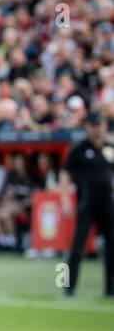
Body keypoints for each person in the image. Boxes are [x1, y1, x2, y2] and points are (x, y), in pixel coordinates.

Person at [60, 114, 113, 297]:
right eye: (92, 125)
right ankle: (68, 286)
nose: (96, 129)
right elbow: (65, 173)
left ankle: (110, 289)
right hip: (87, 204)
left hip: (108, 205)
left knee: (111, 247)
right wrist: (65, 199)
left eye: (98, 125)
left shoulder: (109, 146)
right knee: (76, 247)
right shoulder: (79, 148)